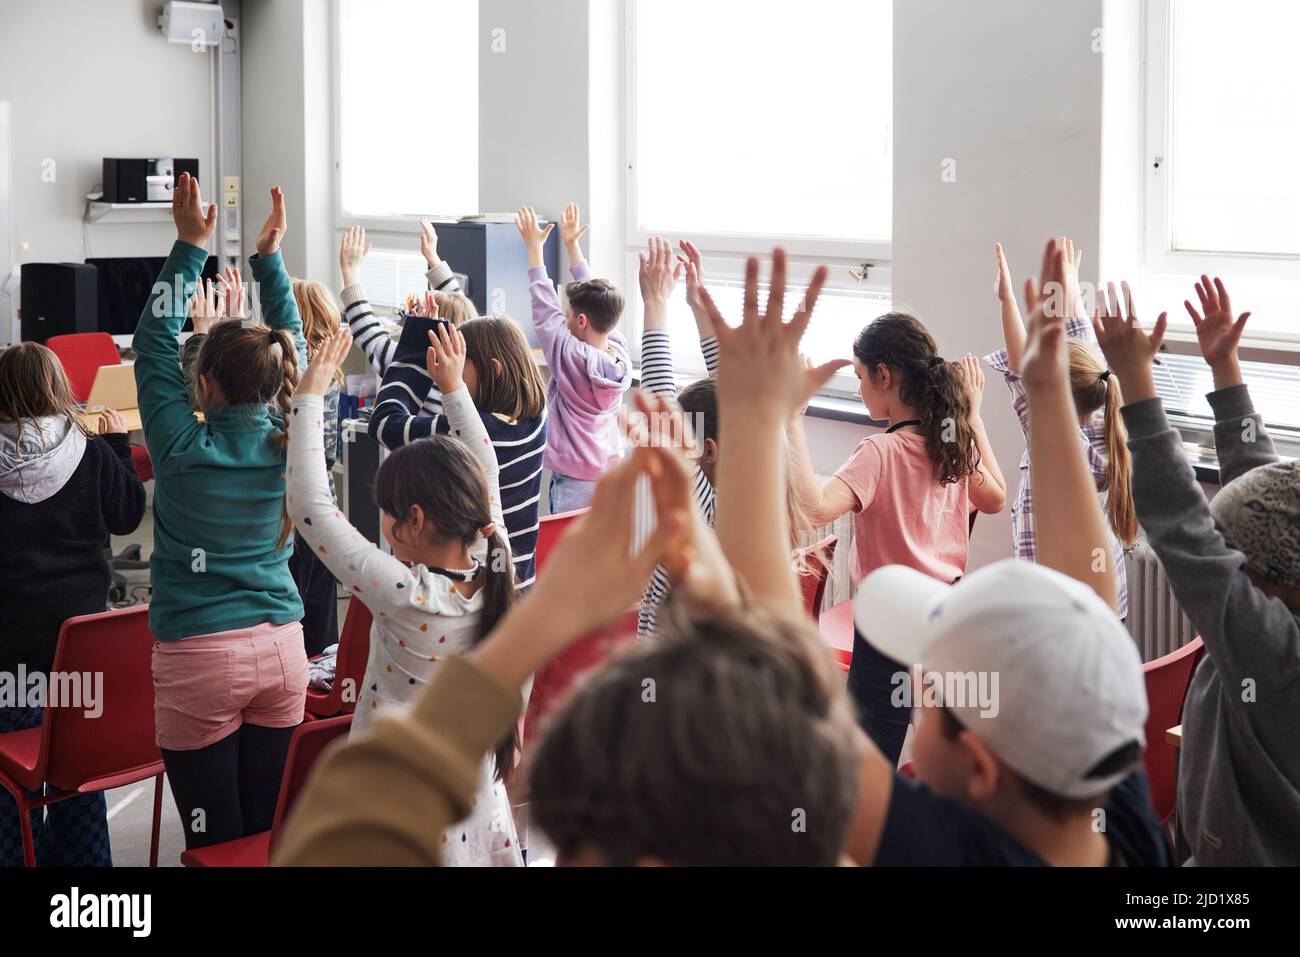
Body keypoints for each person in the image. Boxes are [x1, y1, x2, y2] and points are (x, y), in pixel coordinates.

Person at [288, 326, 522, 865]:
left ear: (414, 522)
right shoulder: (496, 558)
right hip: (474, 794)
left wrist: (309, 398)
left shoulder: (406, 595)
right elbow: (485, 469)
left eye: (387, 513)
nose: (384, 524)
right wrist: (455, 393)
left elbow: (310, 508)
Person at [1093, 273, 1300, 865]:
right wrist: (1225, 371)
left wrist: (1136, 381)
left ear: (1270, 579)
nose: (1228, 557)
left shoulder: (1272, 650)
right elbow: (1266, 496)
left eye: (1236, 554)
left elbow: (1184, 529)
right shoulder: (1284, 597)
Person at [133, 173, 308, 850]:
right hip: (283, 653)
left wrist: (189, 249)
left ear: (201, 384)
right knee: (261, 838)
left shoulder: (179, 446)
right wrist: (269, 264)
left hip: (199, 661)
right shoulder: (295, 438)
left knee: (209, 841)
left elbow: (150, 341)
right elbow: (289, 350)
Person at [785, 308, 1007, 762]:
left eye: (863, 376)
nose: (861, 387)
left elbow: (813, 508)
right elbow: (996, 498)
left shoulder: (879, 452)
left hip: (886, 619)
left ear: (884, 376)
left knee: (873, 753)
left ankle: (874, 829)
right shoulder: (953, 444)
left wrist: (792, 417)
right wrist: (974, 417)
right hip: (946, 612)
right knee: (946, 751)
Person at [0, 343, 146, 866]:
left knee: (10, 790)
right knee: (75, 776)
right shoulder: (90, 451)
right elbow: (129, 515)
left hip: (8, 671)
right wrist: (118, 445)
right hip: (81, 664)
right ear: (58, 388)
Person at [985, 239, 1136, 617]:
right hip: (1108, 601)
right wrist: (1070, 287)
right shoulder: (1104, 401)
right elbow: (1082, 341)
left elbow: (1025, 366)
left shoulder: (1050, 437)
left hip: (1057, 615)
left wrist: (1006, 299)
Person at [518, 203, 631, 512]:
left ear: (581, 322)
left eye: (568, 315)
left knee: (566, 555)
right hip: (610, 475)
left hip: (573, 482)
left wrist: (534, 250)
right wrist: (573, 247)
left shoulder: (570, 357)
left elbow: (543, 310)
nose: (563, 320)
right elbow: (599, 301)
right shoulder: (619, 351)